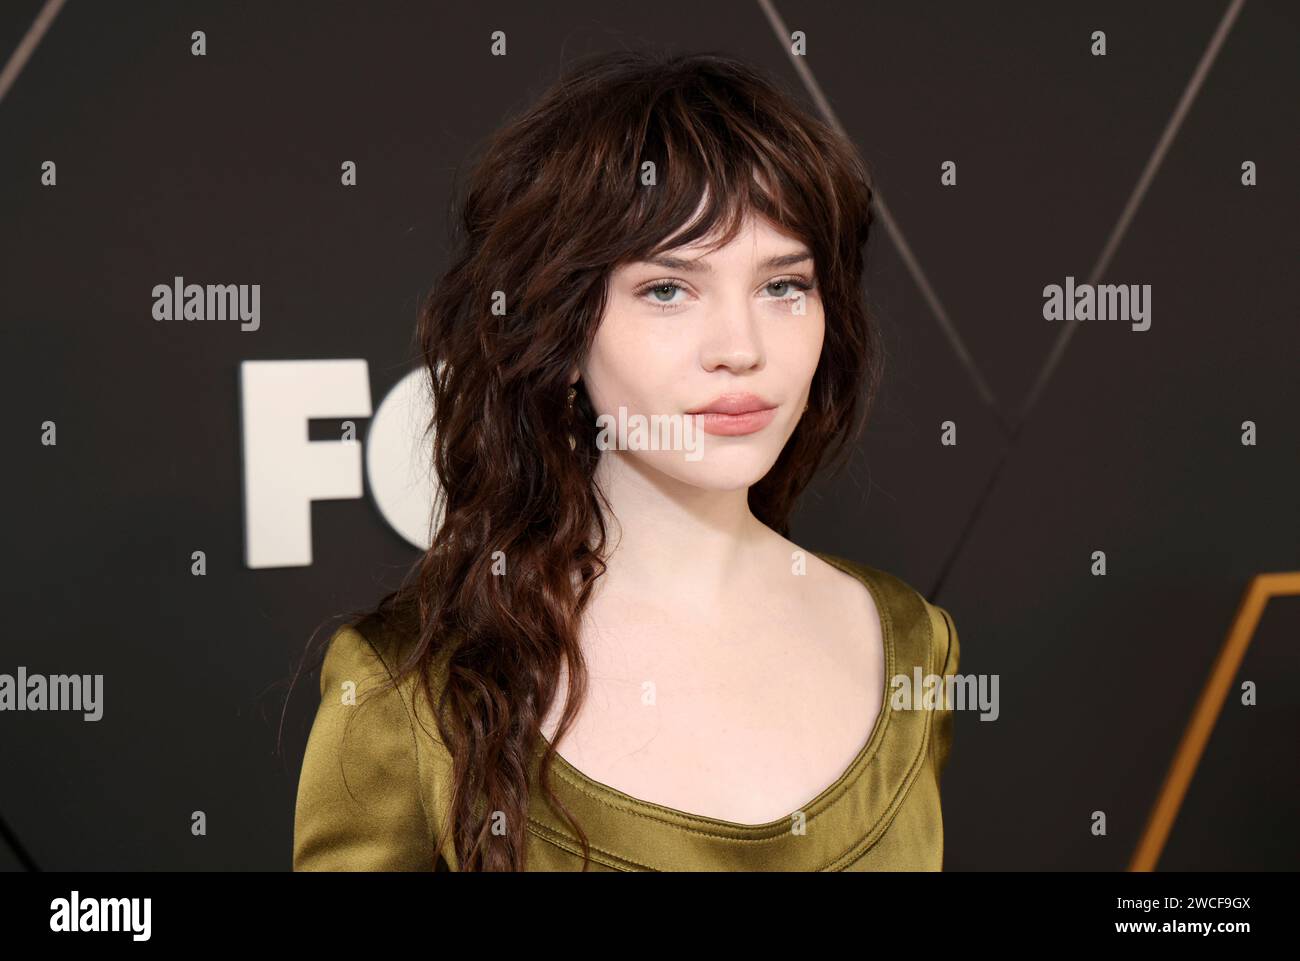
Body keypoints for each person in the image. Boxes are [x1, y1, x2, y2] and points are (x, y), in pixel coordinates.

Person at [293, 49, 959, 872]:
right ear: (564, 331)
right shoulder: (407, 691)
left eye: (784, 285)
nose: (741, 349)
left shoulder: (913, 645)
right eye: (668, 289)